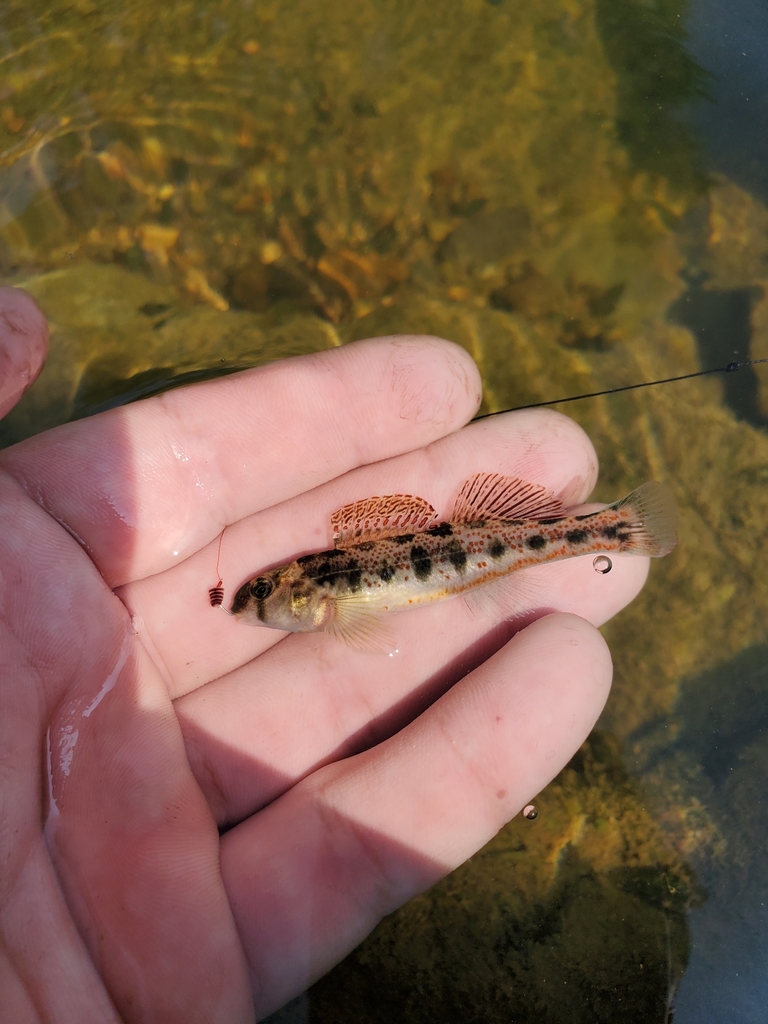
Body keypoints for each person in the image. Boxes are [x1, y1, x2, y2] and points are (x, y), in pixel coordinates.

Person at [0, 284, 649, 1023]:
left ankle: (610, 531)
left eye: (268, 598)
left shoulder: (332, 585)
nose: (261, 609)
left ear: (307, 597)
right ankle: (611, 532)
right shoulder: (324, 588)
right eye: (264, 599)